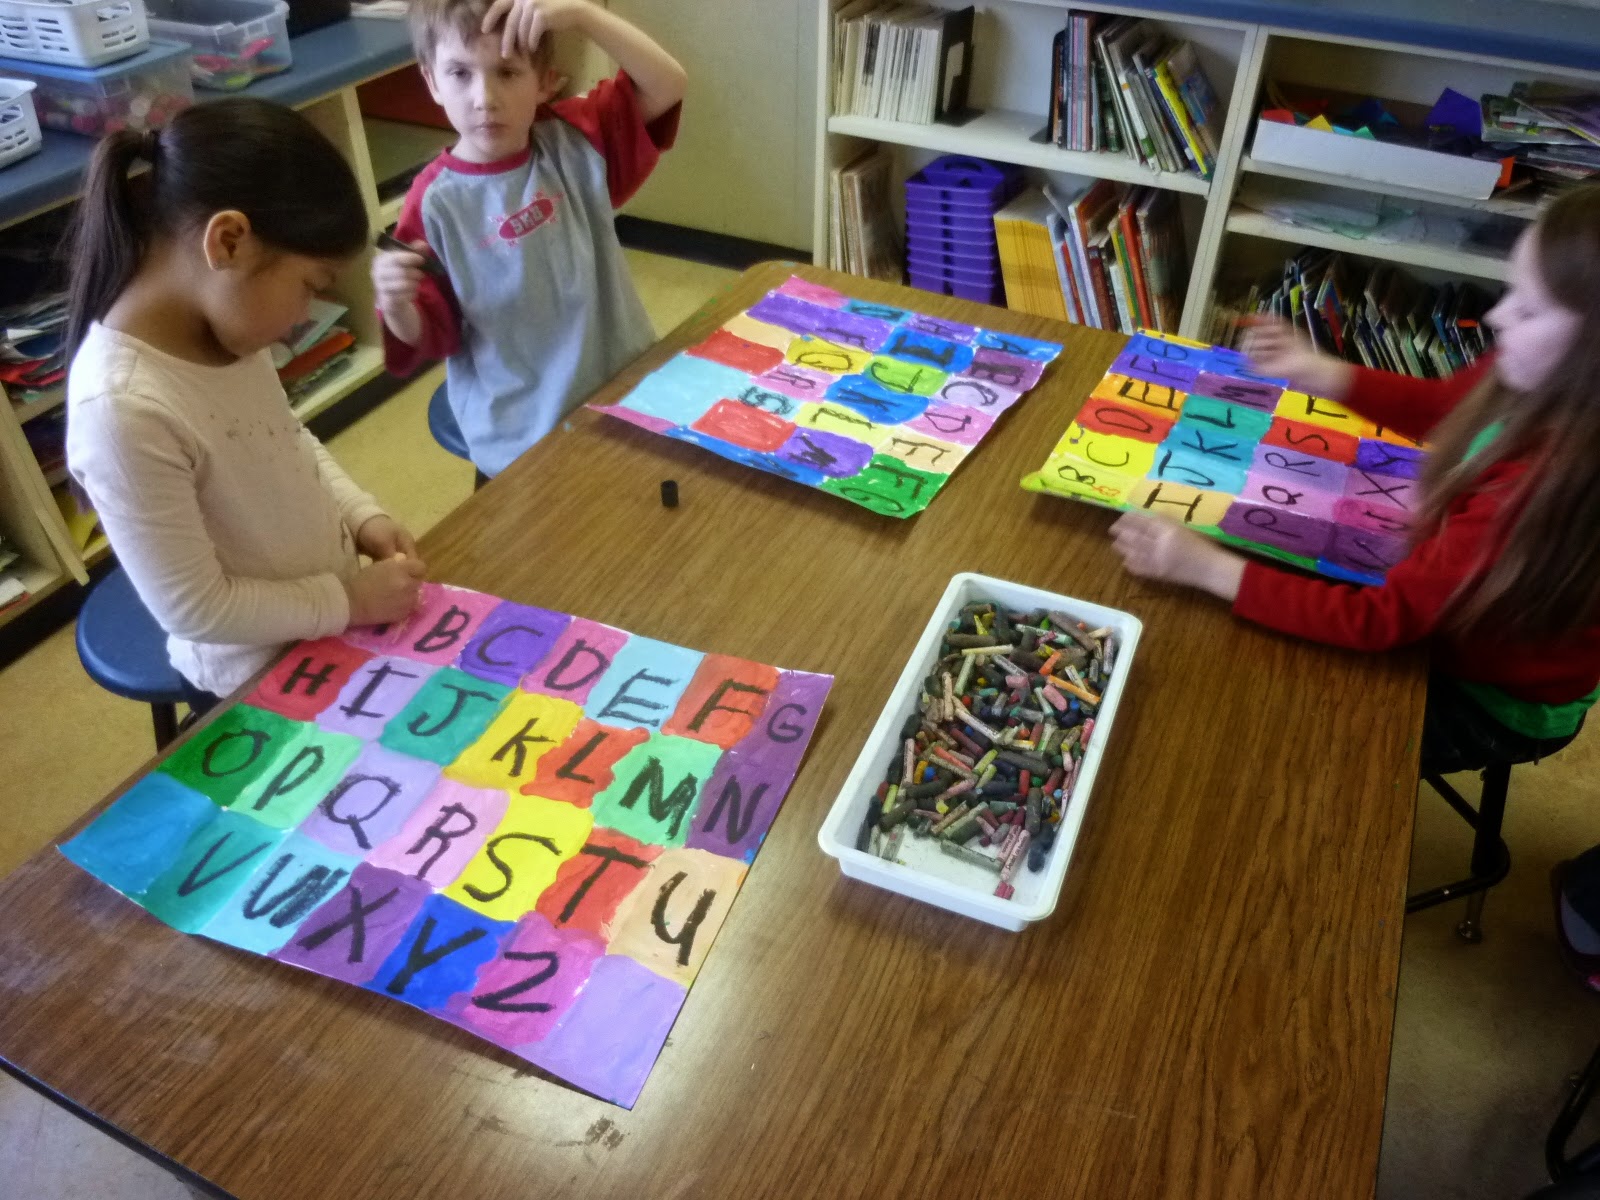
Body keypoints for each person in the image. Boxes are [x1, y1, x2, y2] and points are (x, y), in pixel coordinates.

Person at [1108, 188, 1600, 828]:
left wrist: (1204, 567)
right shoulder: (1531, 375)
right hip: (1453, 607)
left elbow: (1380, 621)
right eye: (1512, 291)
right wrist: (1320, 371)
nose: (1498, 316)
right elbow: (1447, 407)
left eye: (1529, 308)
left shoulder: (1534, 496)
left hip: (1495, 697)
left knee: (1290, 742)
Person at [65, 98, 426, 715]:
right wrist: (349, 601)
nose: (305, 317)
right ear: (229, 240)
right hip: (249, 684)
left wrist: (359, 514)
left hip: (325, 636)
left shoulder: (223, 328)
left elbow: (286, 439)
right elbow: (197, 609)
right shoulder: (122, 409)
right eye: (310, 286)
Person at [373, 0, 686, 480]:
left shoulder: (577, 142)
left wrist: (583, 15)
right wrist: (396, 305)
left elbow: (668, 83)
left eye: (507, 72)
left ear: (546, 82)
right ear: (432, 81)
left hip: (624, 400)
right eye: (460, 73)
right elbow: (433, 332)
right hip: (523, 440)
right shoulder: (434, 204)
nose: (484, 98)